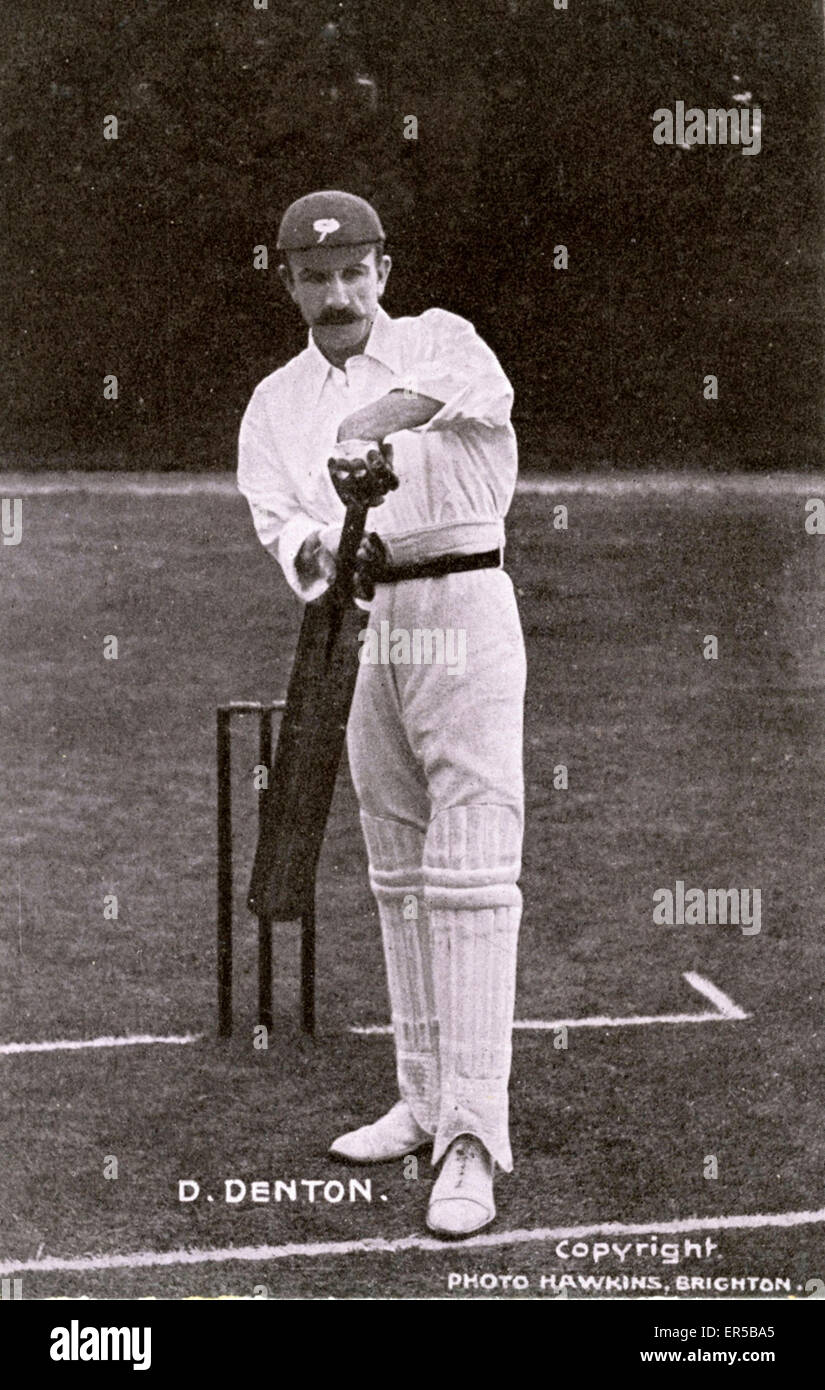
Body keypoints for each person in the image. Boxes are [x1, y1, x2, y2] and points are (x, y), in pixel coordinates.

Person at [237, 190, 526, 1237]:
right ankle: (421, 1098)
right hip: (365, 627)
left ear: (384, 271)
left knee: (473, 872)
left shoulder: (442, 338)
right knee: (397, 873)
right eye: (315, 275)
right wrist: (324, 548)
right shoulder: (273, 404)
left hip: (467, 604)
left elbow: (466, 394)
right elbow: (286, 528)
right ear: (288, 281)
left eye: (354, 270)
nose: (337, 291)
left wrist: (368, 424)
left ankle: (473, 1138)